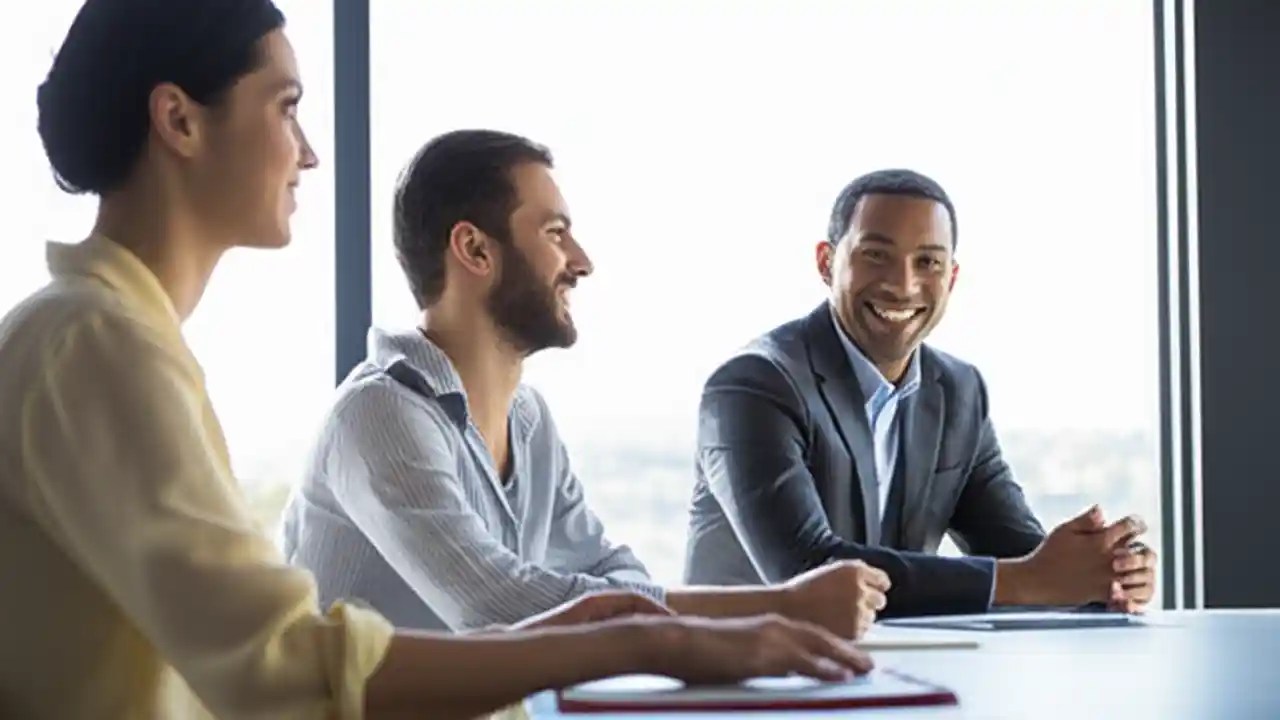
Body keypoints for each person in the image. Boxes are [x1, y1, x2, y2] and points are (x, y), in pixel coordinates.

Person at [0, 3, 872, 718]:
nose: (307, 151)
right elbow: (281, 664)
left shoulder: (112, 339)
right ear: (180, 119)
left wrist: (656, 621)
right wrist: (656, 638)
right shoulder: (95, 345)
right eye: (287, 105)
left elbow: (596, 582)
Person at [280, 129, 889, 640]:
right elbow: (502, 610)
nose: (581, 260)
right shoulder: (380, 415)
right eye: (554, 233)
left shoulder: (528, 418)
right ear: (473, 249)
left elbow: (605, 567)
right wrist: (776, 605)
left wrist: (625, 605)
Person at [683, 169, 1158, 617]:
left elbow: (1023, 557)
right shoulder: (752, 386)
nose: (902, 284)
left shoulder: (959, 392)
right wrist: (1035, 579)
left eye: (927, 262)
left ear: (950, 278)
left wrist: (1103, 575)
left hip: (885, 678)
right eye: (876, 255)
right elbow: (808, 570)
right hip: (747, 685)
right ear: (827, 263)